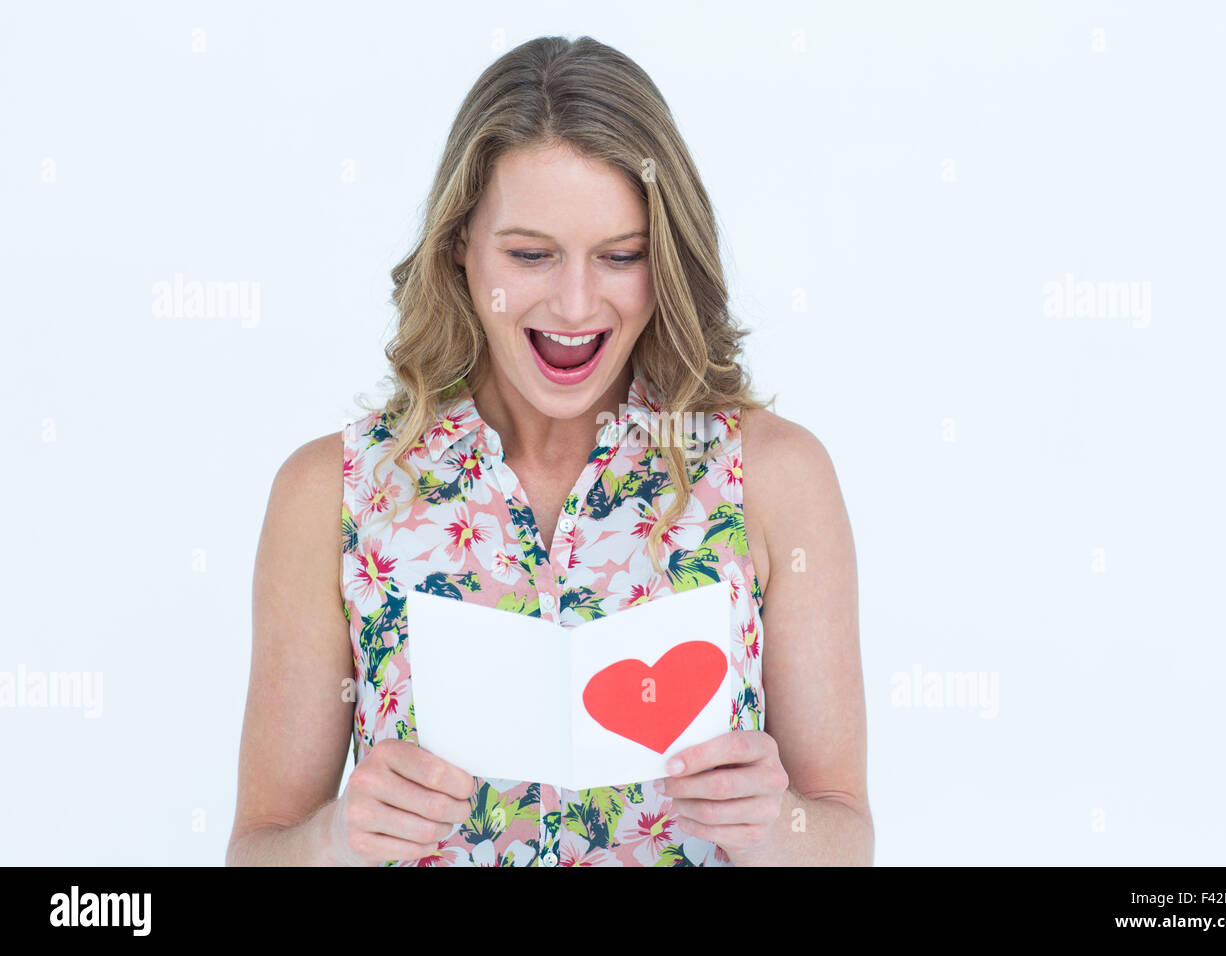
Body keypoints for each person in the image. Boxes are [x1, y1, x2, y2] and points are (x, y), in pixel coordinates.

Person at [227, 34, 872, 867]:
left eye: (621, 256)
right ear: (460, 245)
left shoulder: (775, 478)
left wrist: (774, 821)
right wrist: (334, 837)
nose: (574, 304)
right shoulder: (335, 492)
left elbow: (845, 836)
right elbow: (257, 851)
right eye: (529, 255)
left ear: (666, 257)